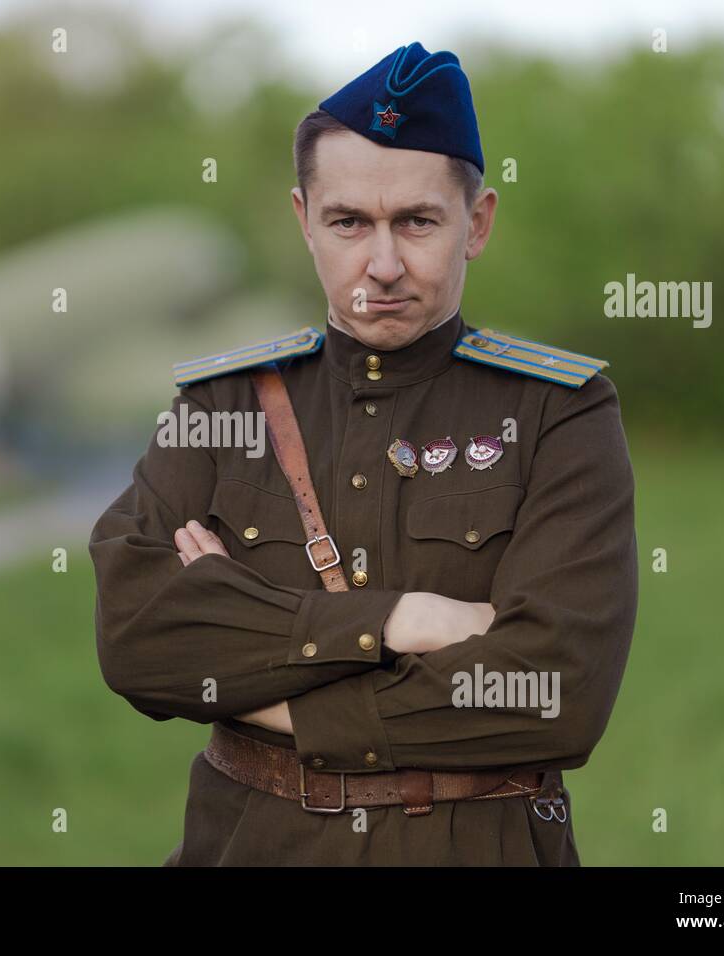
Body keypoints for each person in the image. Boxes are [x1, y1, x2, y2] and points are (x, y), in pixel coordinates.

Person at [88, 41, 638, 865]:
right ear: (303, 219)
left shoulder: (559, 410)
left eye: (417, 221)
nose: (382, 265)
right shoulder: (223, 404)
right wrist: (396, 621)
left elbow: (555, 691)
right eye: (349, 222)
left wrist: (280, 695)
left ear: (477, 222)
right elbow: (137, 638)